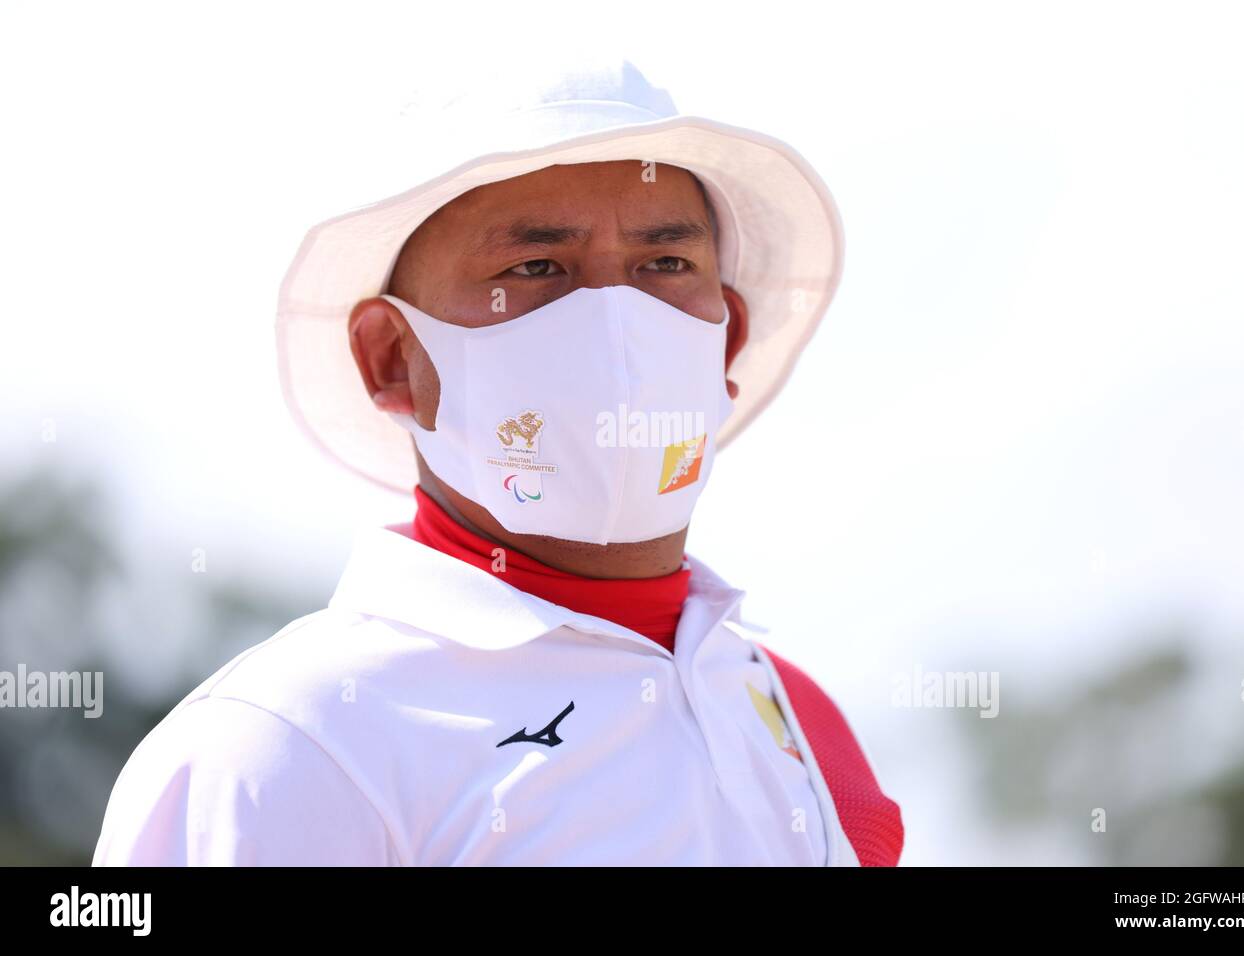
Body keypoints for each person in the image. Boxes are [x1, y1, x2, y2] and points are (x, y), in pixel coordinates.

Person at [91, 58, 903, 866]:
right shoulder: (287, 750)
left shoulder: (798, 718)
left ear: (726, 338)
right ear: (393, 359)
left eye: (665, 264)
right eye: (535, 268)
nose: (615, 322)